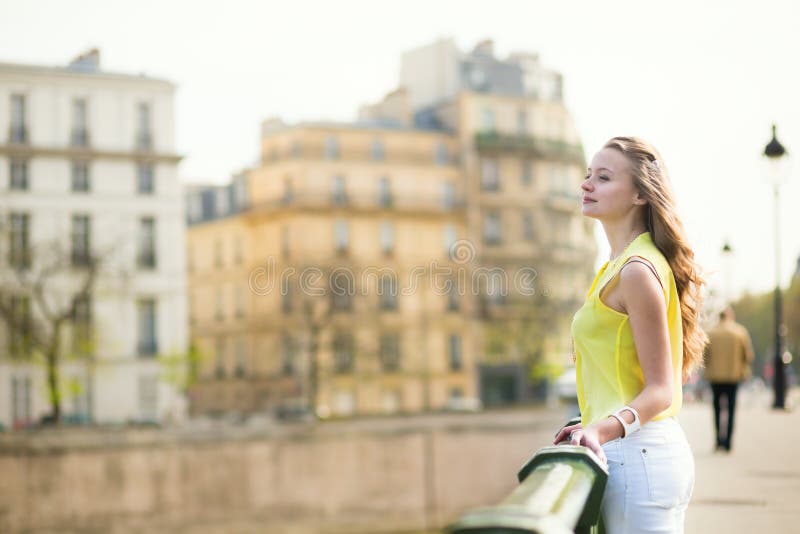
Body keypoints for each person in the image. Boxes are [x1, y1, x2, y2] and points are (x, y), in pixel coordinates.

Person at [553, 137, 707, 533]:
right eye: (588, 175)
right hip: (643, 455)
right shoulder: (620, 266)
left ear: (640, 194)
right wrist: (590, 421)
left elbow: (661, 390)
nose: (587, 184)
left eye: (603, 177)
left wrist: (598, 429)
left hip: (638, 459)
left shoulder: (636, 270)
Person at [704, 307, 754, 452]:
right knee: (731, 409)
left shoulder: (711, 333)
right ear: (731, 316)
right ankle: (728, 442)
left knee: (717, 409)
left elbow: (705, 356)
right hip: (733, 376)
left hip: (715, 377)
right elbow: (748, 356)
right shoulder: (740, 332)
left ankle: (718, 440)